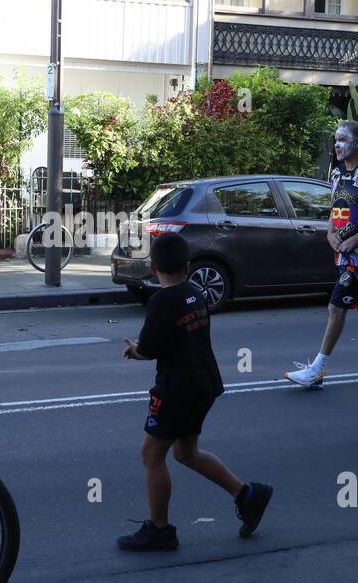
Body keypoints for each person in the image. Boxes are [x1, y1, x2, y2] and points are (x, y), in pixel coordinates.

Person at [117, 232, 272, 550]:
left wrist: (134, 350)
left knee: (151, 454)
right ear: (187, 265)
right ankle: (248, 495)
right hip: (204, 385)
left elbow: (149, 349)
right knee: (185, 452)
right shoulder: (196, 293)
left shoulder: (162, 301)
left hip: (176, 391)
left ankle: (160, 530)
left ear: (153, 267)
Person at [285, 120, 358, 389]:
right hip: (342, 252)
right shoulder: (337, 174)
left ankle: (317, 369)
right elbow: (336, 210)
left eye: (342, 140)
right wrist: (330, 234)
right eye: (335, 140)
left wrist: (357, 239)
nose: (336, 145)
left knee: (335, 306)